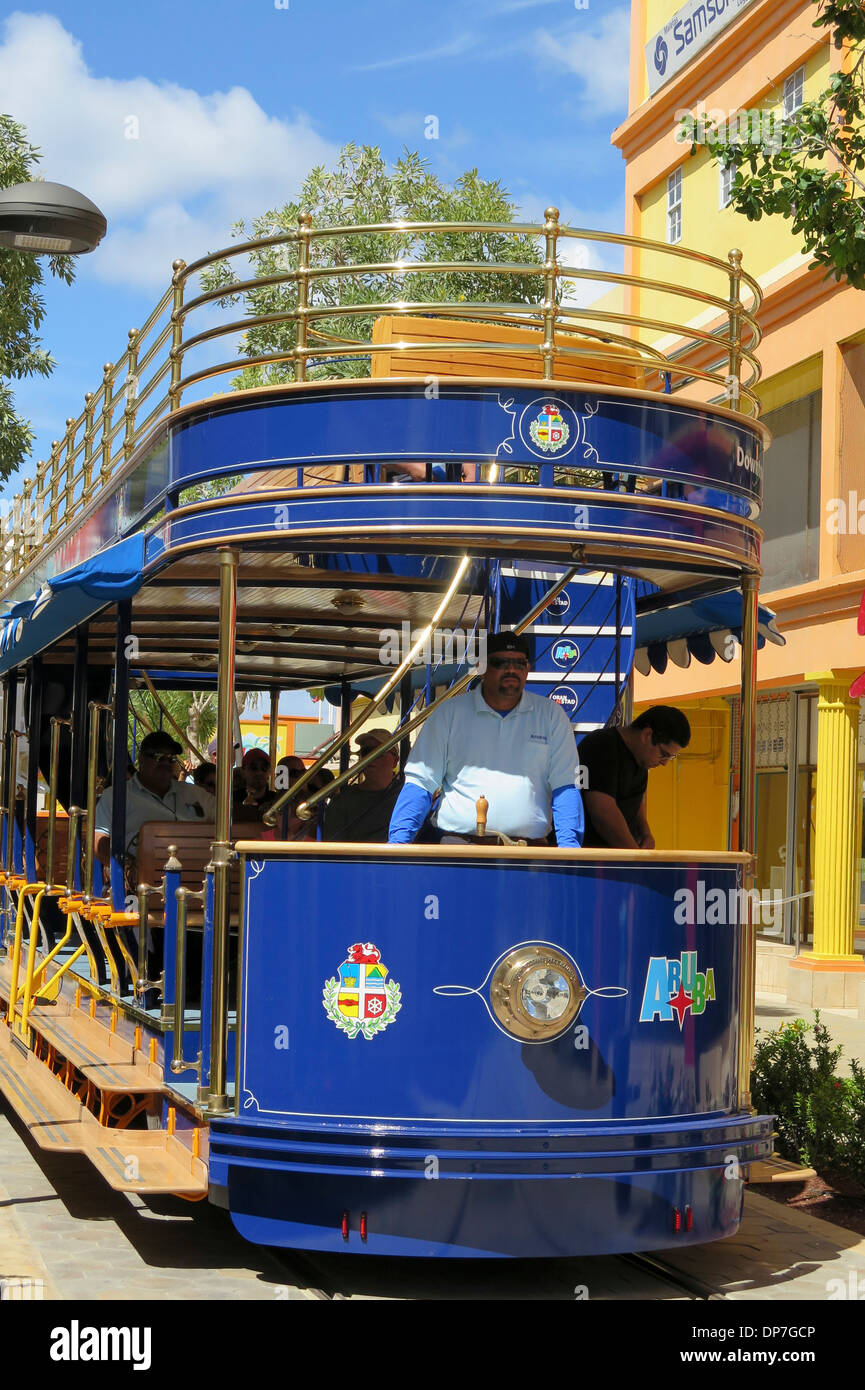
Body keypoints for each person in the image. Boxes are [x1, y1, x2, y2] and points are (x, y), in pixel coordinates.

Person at [388, 630, 583, 845]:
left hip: (529, 856)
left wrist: (569, 851)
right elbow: (420, 784)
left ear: (527, 669)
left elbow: (566, 787)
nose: (511, 670)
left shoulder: (552, 715)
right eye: (500, 662)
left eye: (519, 663)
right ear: (480, 668)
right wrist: (397, 845)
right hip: (459, 852)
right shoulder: (449, 713)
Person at [94, 731, 215, 869]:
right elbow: (100, 840)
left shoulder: (194, 793)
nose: (165, 763)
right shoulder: (116, 796)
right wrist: (126, 870)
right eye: (158, 757)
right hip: (141, 883)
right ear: (141, 759)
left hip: (198, 879)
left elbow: (229, 816)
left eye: (171, 758)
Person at [577, 705, 691, 850]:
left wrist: (645, 833)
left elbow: (635, 800)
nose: (664, 763)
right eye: (664, 754)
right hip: (585, 858)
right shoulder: (602, 746)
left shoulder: (641, 760)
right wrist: (635, 858)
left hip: (613, 859)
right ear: (647, 735)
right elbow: (602, 811)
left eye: (671, 757)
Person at [323, 729, 404, 843]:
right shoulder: (343, 800)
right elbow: (332, 848)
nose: (371, 757)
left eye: (378, 752)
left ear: (395, 760)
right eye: (366, 752)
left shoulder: (407, 796)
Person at [232, 748, 278, 822]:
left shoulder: (276, 801)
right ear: (243, 771)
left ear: (269, 772)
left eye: (264, 768)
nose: (259, 772)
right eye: (253, 768)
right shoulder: (232, 800)